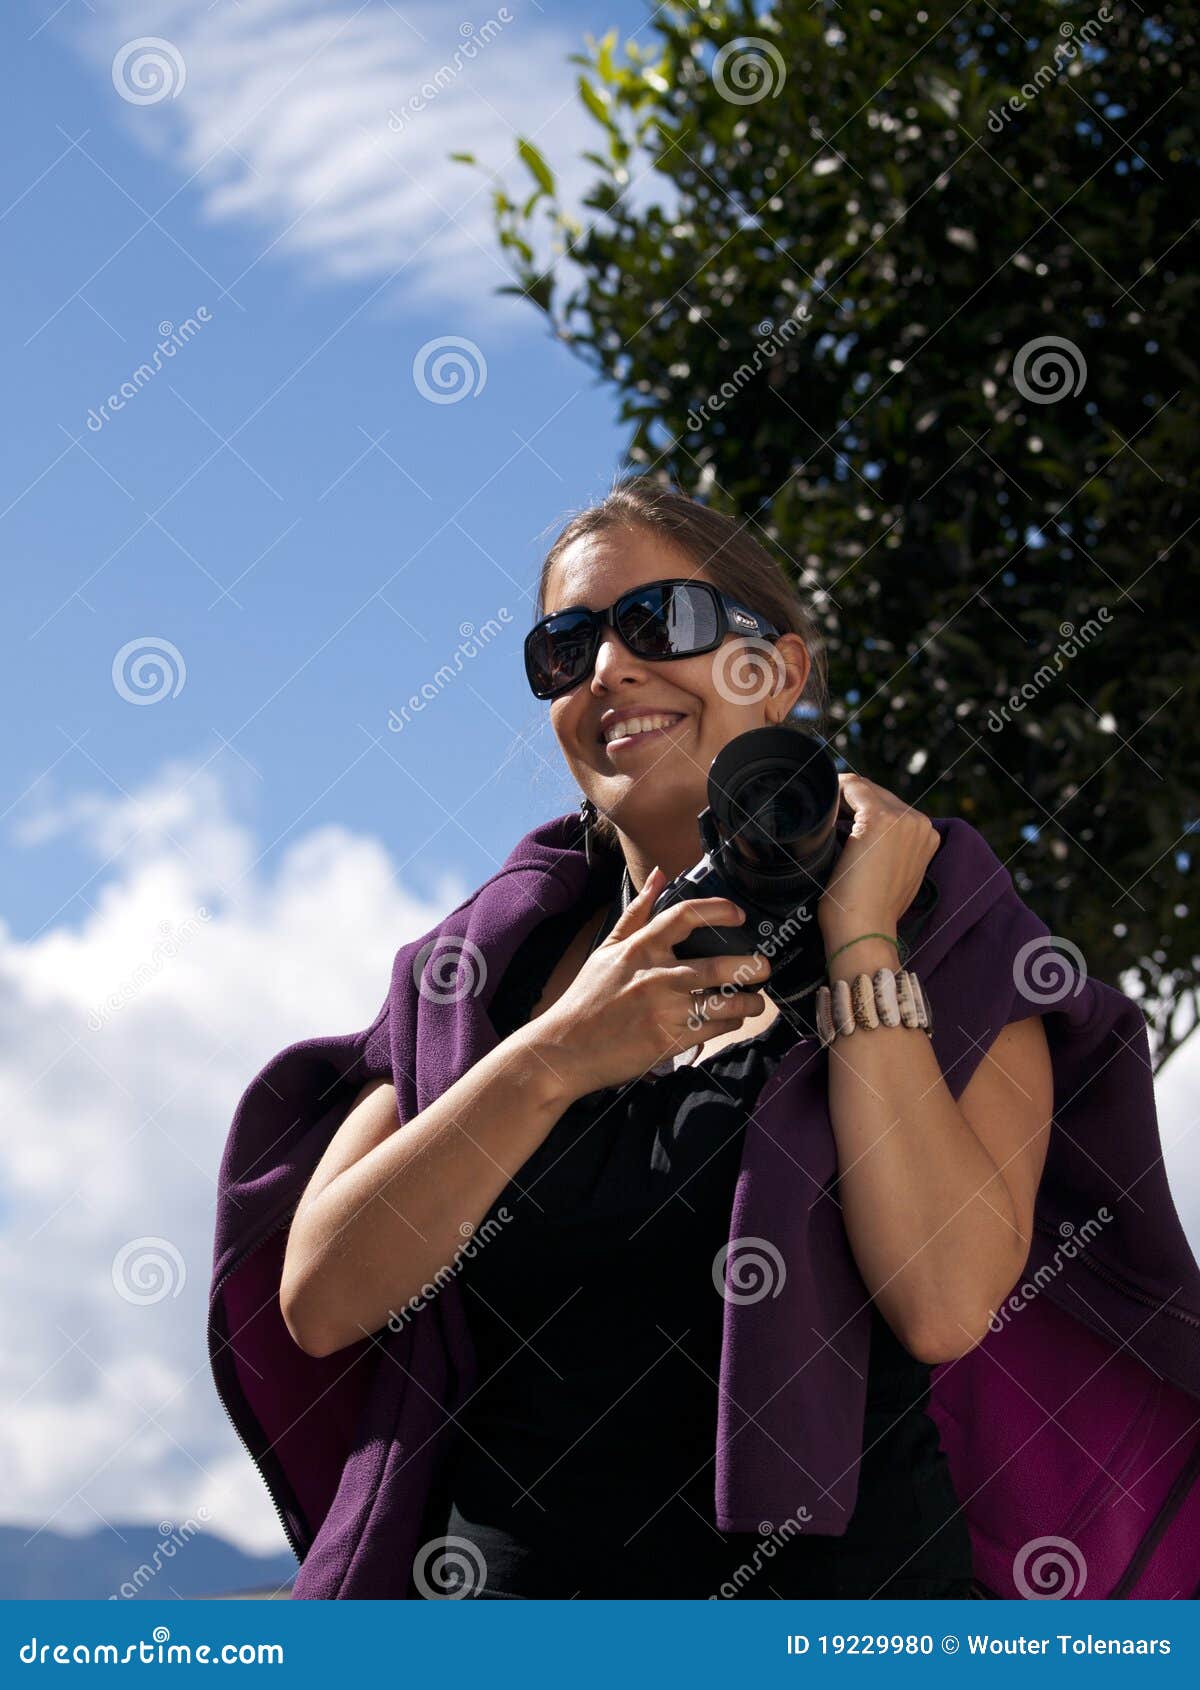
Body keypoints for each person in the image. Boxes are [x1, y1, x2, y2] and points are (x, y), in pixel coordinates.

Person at [273, 480, 1058, 1599]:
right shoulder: (486, 977)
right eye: (564, 647)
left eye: (663, 622)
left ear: (778, 670)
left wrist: (862, 935)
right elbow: (324, 1295)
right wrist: (554, 1056)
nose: (607, 670)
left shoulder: (949, 937)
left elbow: (943, 1301)